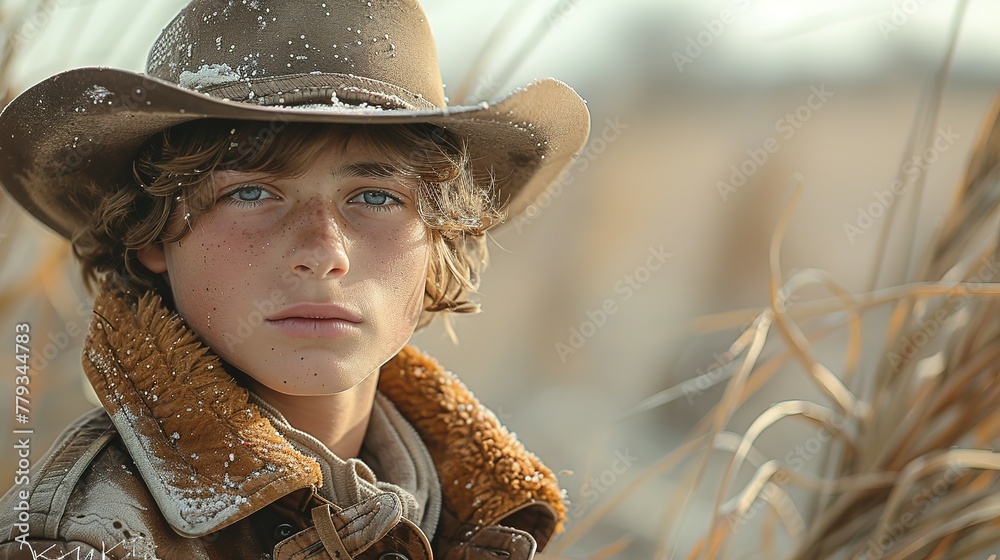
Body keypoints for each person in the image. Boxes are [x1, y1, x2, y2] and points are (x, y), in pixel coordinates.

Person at [0, 1, 590, 558]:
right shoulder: (86, 539)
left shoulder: (482, 512)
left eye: (376, 197)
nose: (323, 253)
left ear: (439, 238)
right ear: (150, 234)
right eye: (252, 193)